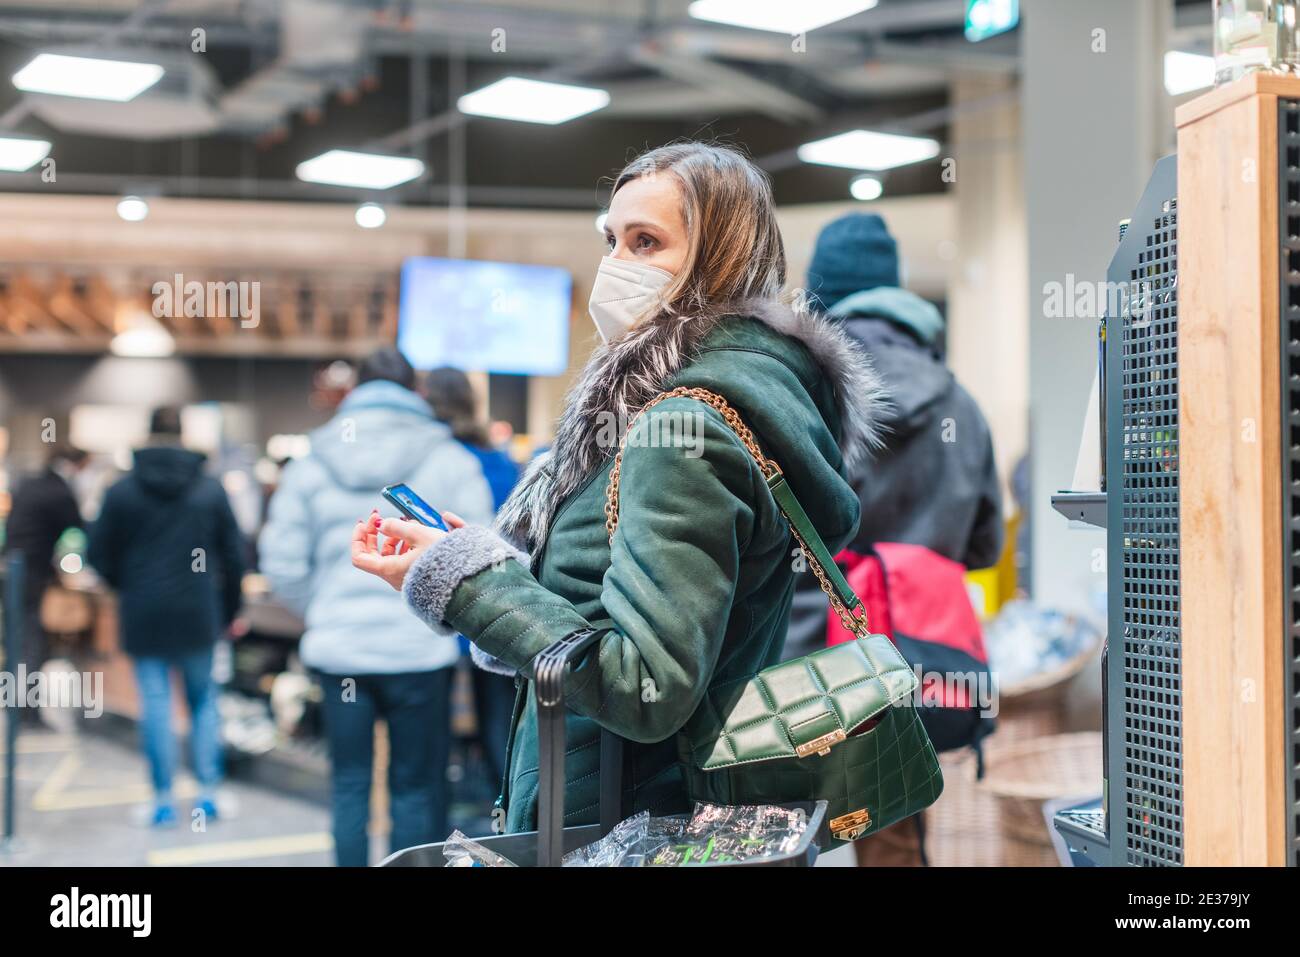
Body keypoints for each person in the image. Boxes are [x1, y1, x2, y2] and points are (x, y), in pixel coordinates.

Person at [351, 142, 885, 834]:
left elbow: (646, 683)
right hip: (662, 809)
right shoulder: (688, 412)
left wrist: (466, 583)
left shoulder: (681, 429)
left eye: (646, 242)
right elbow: (607, 605)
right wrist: (490, 567)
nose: (615, 265)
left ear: (719, 259)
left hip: (628, 823)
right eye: (612, 239)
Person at [790, 212, 1005, 865]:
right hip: (919, 664)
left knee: (773, 831)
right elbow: (985, 545)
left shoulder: (806, 390)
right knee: (893, 827)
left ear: (821, 295)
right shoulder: (960, 405)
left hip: (804, 664)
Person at [259, 349, 493, 866]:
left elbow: (281, 561)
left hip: (340, 652)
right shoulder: (448, 456)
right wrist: (439, 613)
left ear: (355, 389)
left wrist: (321, 609)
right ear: (415, 391)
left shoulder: (313, 460)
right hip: (419, 652)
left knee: (348, 785)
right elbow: (477, 550)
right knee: (417, 786)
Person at [86, 407, 245, 827]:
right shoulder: (209, 489)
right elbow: (234, 556)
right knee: (202, 701)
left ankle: (162, 800)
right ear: (183, 434)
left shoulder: (122, 490)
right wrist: (229, 611)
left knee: (156, 705)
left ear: (149, 433)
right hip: (198, 610)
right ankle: (207, 795)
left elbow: (97, 554)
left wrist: (130, 585)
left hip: (144, 611)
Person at [422, 367, 520, 795]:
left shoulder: (430, 459)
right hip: (495, 604)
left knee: (428, 733)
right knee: (498, 719)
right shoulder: (499, 460)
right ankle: (504, 810)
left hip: (434, 610)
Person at [2, 444, 87, 726]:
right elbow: (80, 527)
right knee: (30, 643)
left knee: (17, 640)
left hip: (14, 573)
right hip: (31, 576)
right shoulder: (59, 492)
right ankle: (25, 711)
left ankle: (13, 706)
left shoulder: (31, 484)